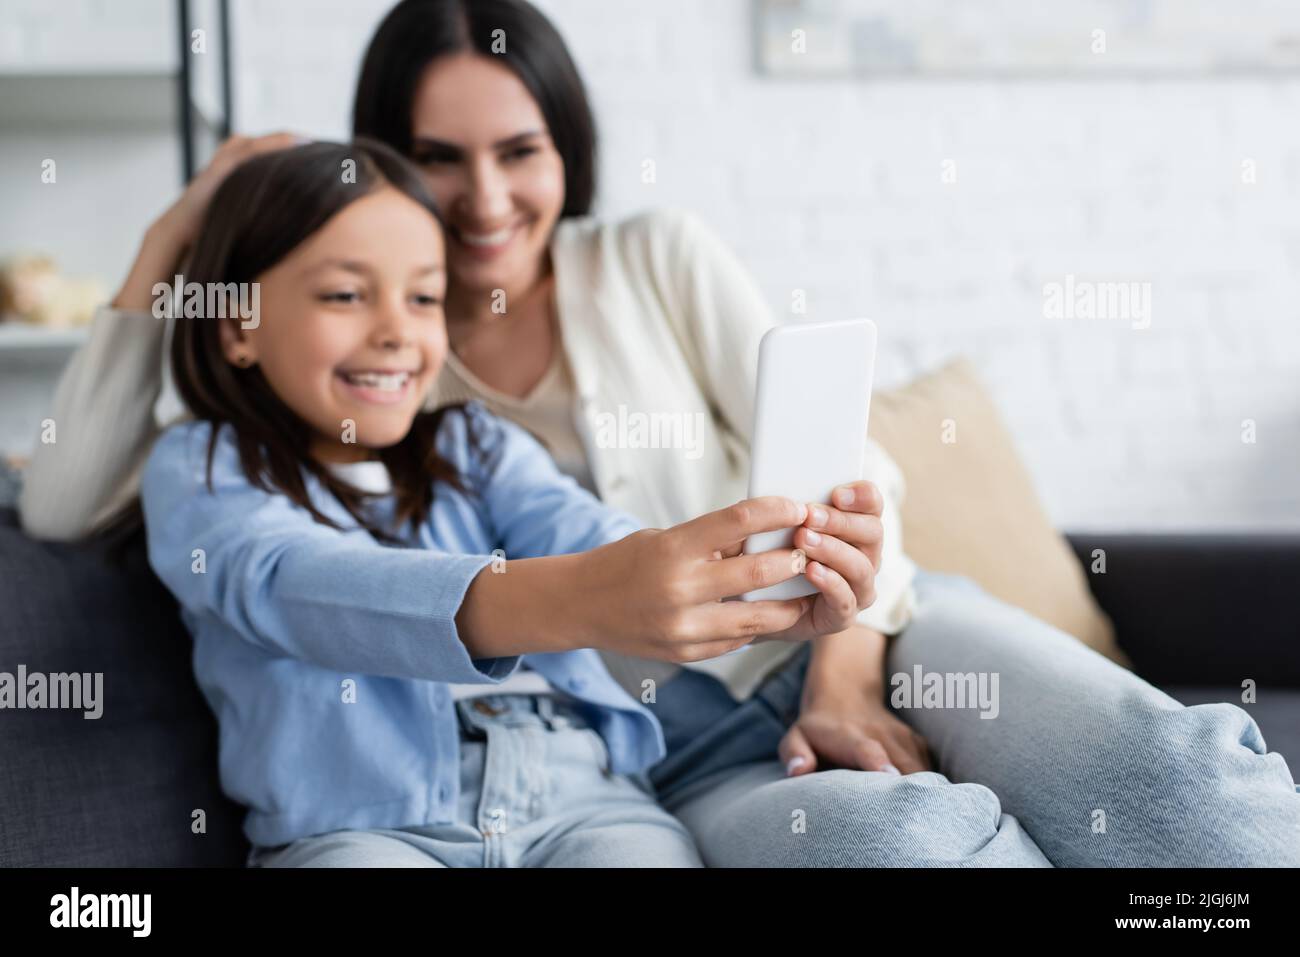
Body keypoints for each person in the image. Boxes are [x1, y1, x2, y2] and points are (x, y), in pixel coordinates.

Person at [25, 0, 1299, 866]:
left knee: (1190, 794)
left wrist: (837, 646)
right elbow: (88, 504)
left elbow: (814, 472)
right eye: (435, 158)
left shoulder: (640, 269)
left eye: (518, 149)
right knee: (906, 848)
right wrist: (177, 240)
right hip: (671, 758)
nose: (482, 200)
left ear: (563, 147)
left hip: (870, 630)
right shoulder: (360, 389)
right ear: (385, 165)